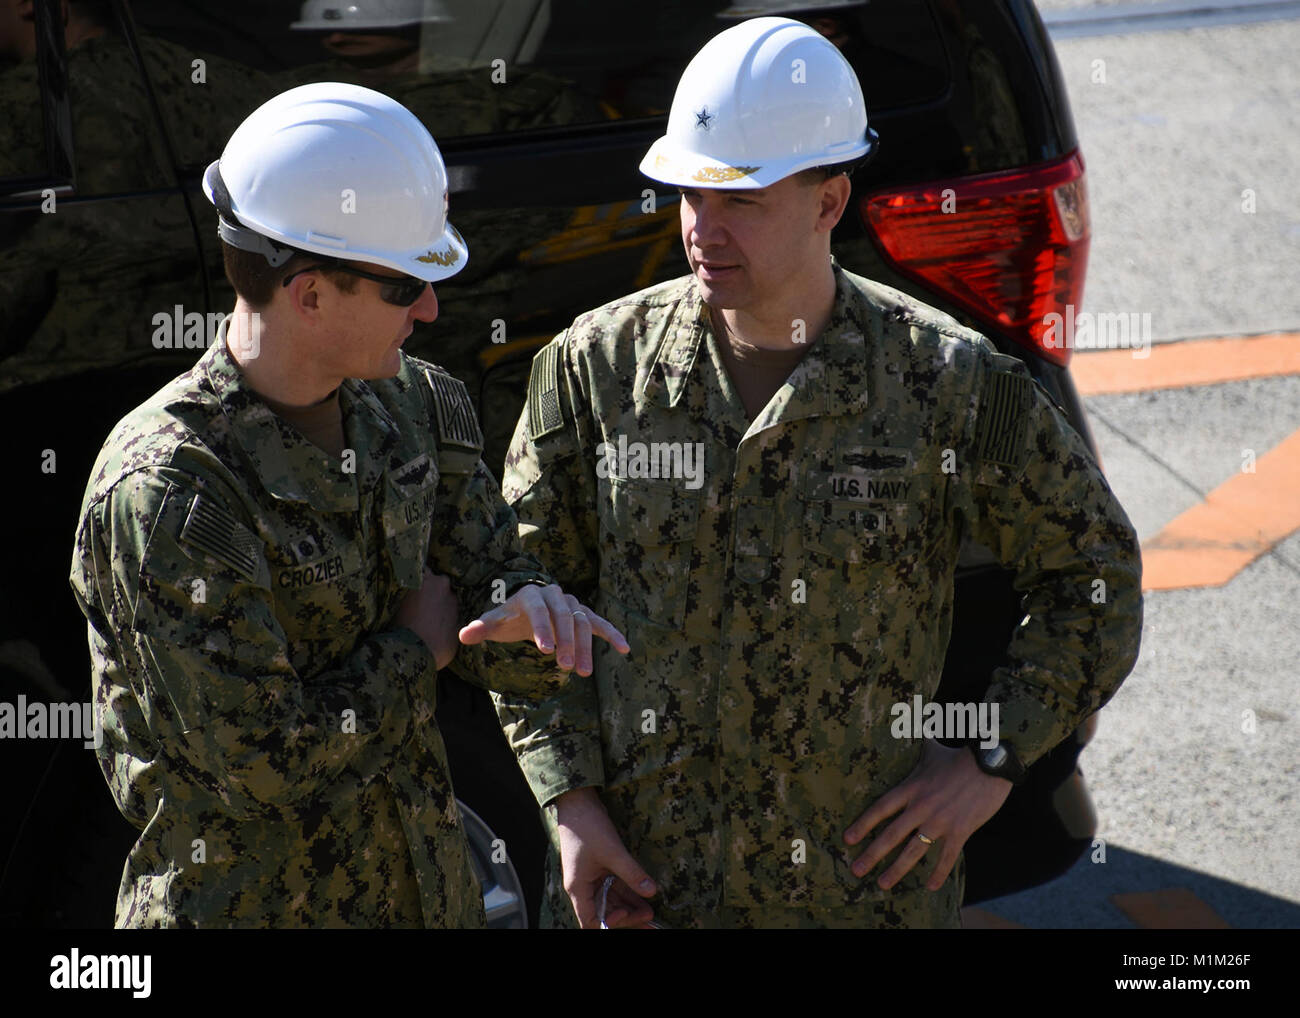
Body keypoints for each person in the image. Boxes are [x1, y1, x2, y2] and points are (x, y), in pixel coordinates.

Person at [492, 16, 1142, 929]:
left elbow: (1094, 581)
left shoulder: (946, 382)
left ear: (830, 202)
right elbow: (522, 590)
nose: (703, 232)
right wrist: (571, 804)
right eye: (689, 197)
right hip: (642, 900)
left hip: (857, 903)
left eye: (742, 203)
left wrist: (986, 759)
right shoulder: (594, 369)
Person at [67, 81, 627, 929]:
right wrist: (413, 650)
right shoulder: (168, 490)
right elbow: (254, 764)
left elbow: (484, 583)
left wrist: (526, 615)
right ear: (311, 295)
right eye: (406, 287)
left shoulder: (419, 406)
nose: (434, 309)